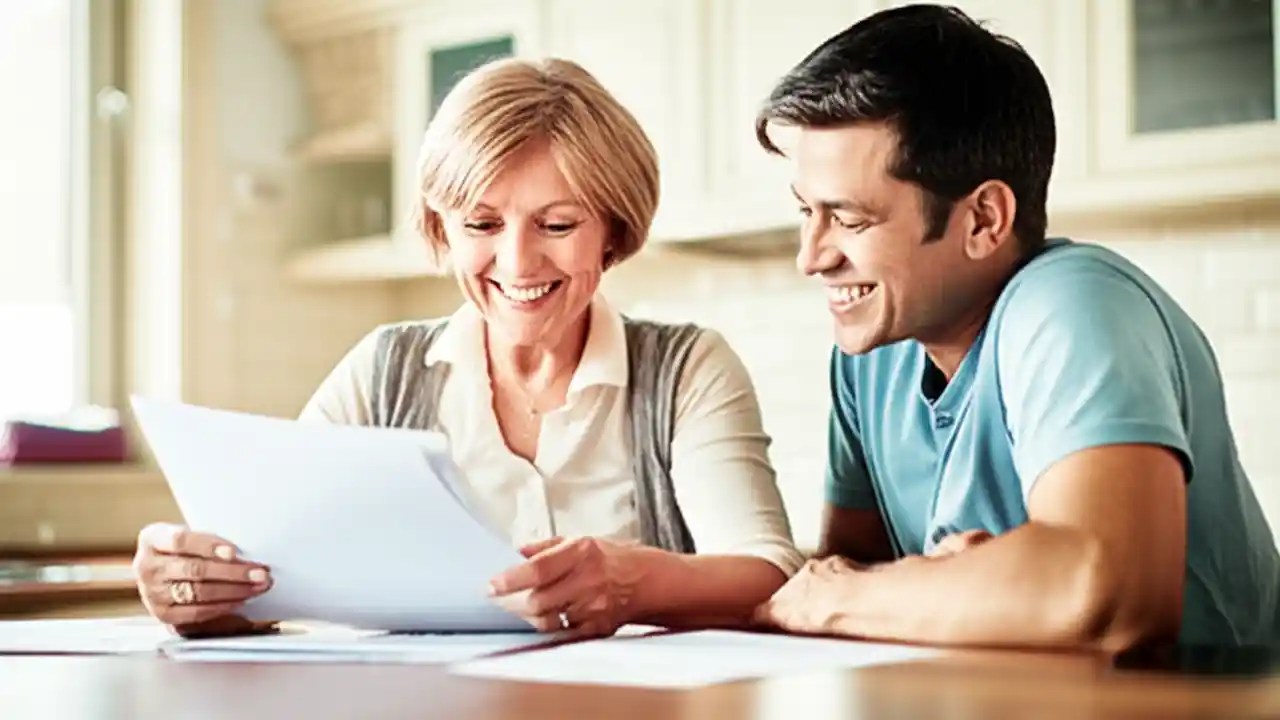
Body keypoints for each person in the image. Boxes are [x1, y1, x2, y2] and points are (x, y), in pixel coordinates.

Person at [133, 57, 803, 638]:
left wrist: (634, 581)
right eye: (481, 223)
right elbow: (276, 566)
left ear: (612, 228)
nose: (518, 261)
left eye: (558, 223)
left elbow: (768, 573)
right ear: (442, 230)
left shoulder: (687, 371)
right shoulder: (383, 371)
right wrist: (202, 592)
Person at [750, 4, 1279, 650]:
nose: (811, 257)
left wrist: (869, 592)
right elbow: (852, 583)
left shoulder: (1074, 305)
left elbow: (1112, 595)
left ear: (984, 220)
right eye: (807, 211)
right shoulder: (870, 356)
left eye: (850, 219)